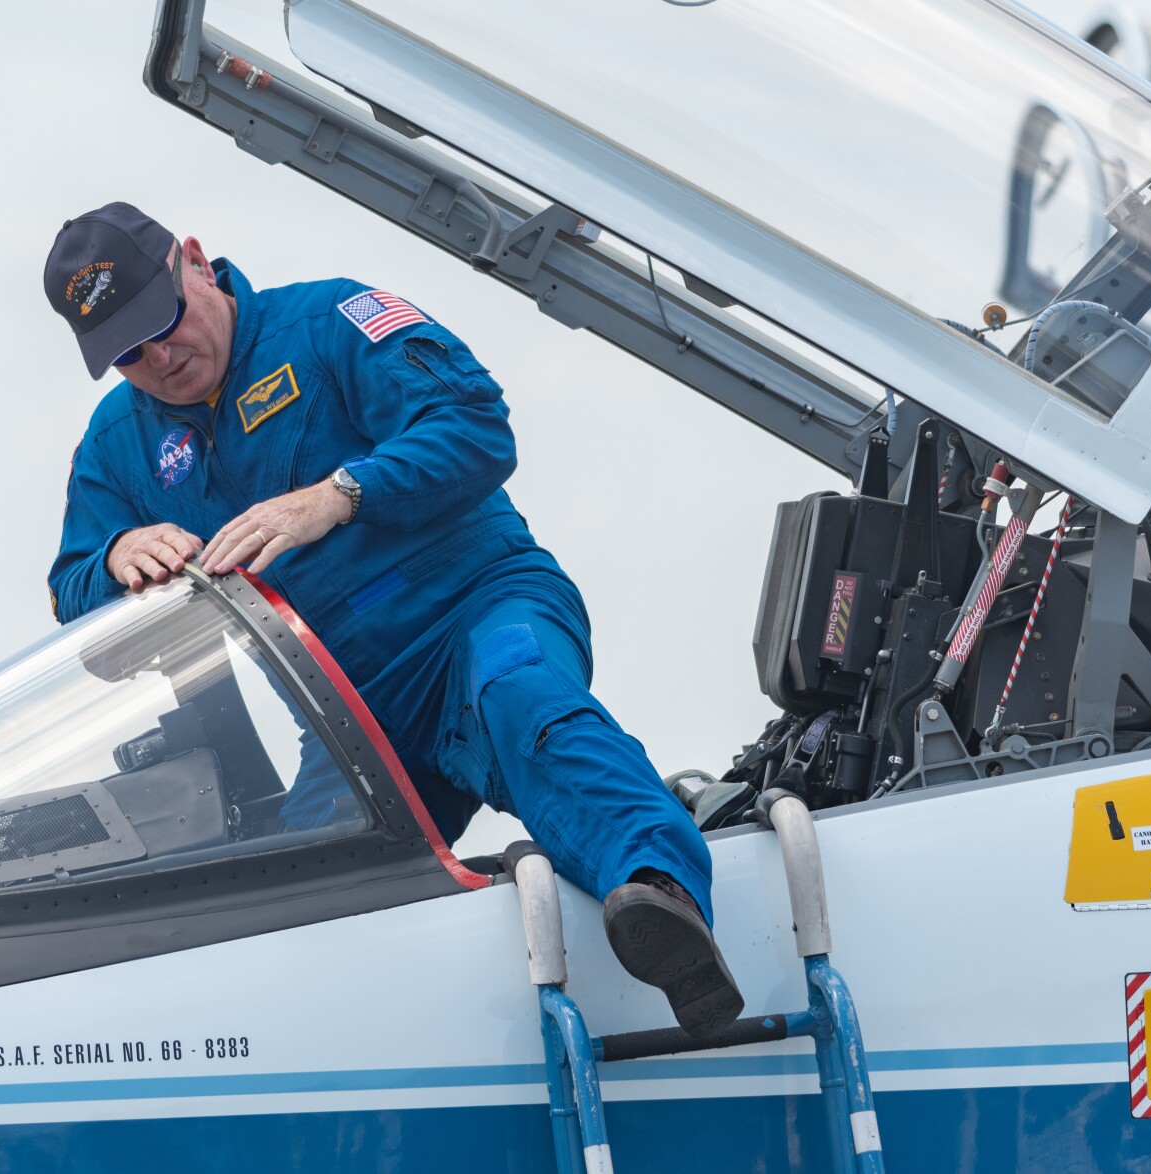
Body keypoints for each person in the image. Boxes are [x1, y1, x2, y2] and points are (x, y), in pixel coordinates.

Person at [43, 202, 743, 1037]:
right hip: (350, 703)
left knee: (519, 698)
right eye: (129, 353)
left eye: (165, 323)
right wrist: (117, 557)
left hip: (478, 609)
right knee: (300, 896)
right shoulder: (117, 443)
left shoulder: (332, 321)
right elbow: (72, 585)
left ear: (194, 261)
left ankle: (664, 902)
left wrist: (339, 496)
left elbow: (476, 424)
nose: (162, 358)